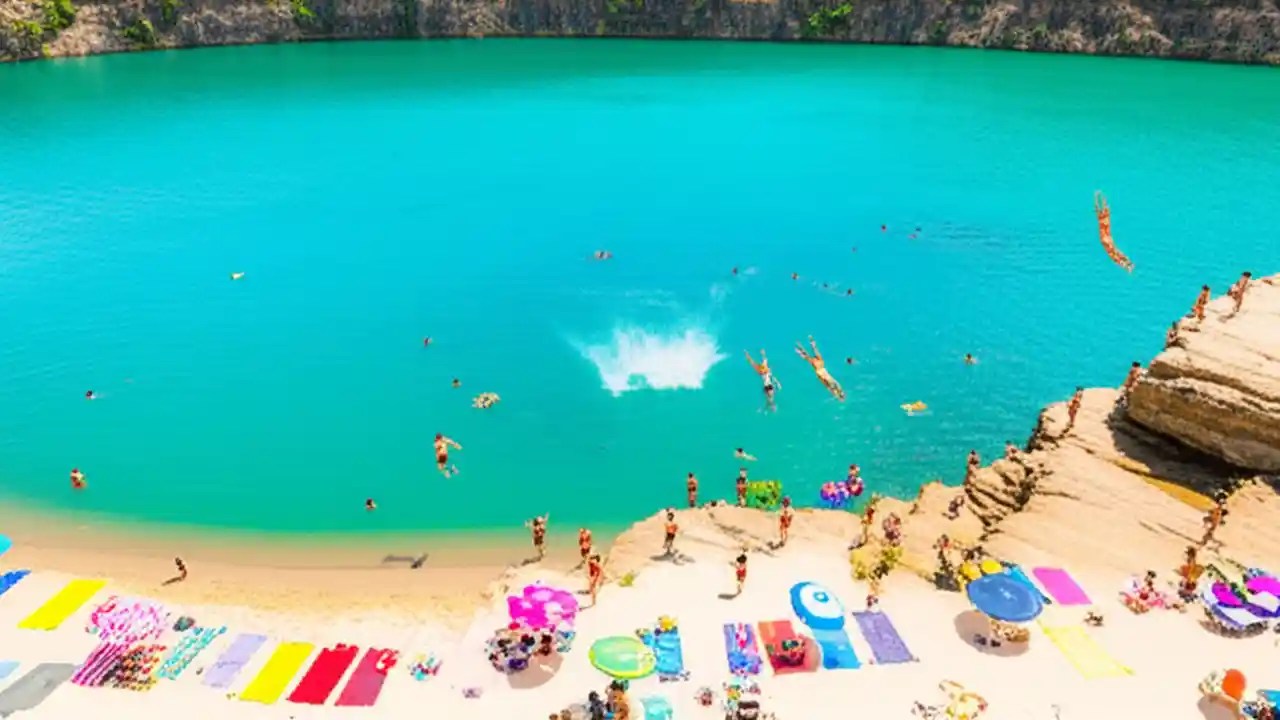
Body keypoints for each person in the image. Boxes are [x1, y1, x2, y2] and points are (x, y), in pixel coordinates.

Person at [795, 335, 845, 401]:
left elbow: (832, 384)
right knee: (809, 356)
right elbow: (828, 384)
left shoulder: (833, 385)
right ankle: (802, 346)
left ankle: (809, 343)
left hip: (822, 367)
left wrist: (837, 393)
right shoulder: (831, 386)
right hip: (821, 370)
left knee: (813, 352)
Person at [1094, 191, 1134, 272]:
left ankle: (1127, 264)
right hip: (1107, 237)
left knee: (1114, 253)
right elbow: (1102, 206)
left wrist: (1097, 197)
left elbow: (1098, 207)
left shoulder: (1102, 216)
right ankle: (1127, 264)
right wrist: (1100, 197)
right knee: (1115, 252)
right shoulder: (1105, 215)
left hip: (1105, 238)